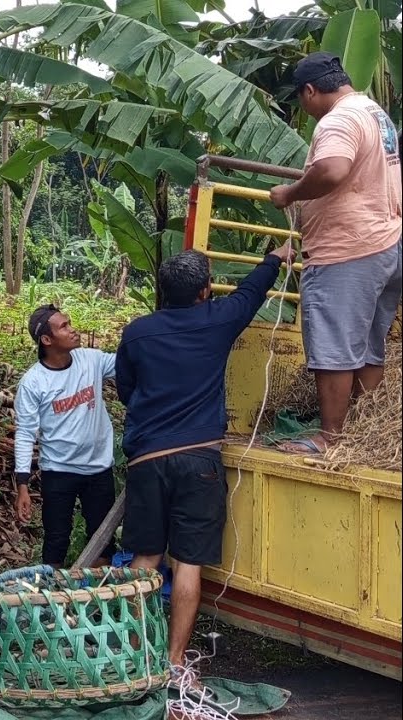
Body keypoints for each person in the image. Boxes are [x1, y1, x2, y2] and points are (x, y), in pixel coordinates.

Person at [115, 241, 296, 692]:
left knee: (145, 558)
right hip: (199, 459)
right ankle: (175, 665)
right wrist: (277, 255)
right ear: (204, 292)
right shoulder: (218, 320)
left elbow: (125, 391)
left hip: (147, 460)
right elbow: (254, 290)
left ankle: (133, 654)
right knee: (189, 564)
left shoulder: (137, 332)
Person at [269, 51, 403, 456]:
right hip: (385, 241)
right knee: (367, 344)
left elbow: (331, 170)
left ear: (310, 91)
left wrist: (289, 193)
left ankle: (330, 437)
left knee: (333, 347)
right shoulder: (375, 114)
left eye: (302, 100)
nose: (306, 110)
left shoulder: (339, 119)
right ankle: (364, 432)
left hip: (348, 249)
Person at [13, 304, 117, 568]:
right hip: (59, 470)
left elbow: (128, 363)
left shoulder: (91, 360)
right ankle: (52, 597)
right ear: (46, 340)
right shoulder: (33, 382)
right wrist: (22, 485)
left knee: (103, 537)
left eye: (70, 323)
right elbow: (25, 434)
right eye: (64, 327)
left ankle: (97, 599)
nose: (73, 330)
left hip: (98, 468)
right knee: (56, 538)